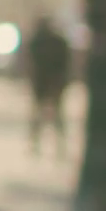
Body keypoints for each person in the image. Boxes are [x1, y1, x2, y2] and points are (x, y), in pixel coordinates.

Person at [26, 15, 71, 158]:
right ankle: (58, 146)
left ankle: (38, 145)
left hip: (44, 82)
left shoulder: (38, 41)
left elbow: (30, 63)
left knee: (41, 116)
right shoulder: (57, 41)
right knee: (54, 116)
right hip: (53, 82)